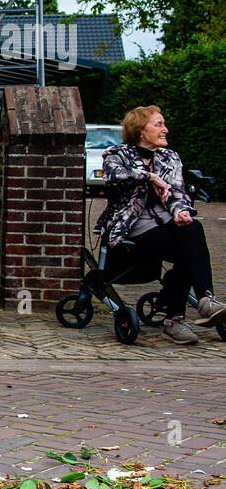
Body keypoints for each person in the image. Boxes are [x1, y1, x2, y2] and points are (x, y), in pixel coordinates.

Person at [93, 106, 226, 343]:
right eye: (158, 124)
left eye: (164, 124)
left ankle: (206, 300)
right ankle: (173, 319)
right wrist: (148, 176)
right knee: (188, 253)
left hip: (165, 220)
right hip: (133, 224)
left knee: (193, 229)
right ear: (141, 131)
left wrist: (181, 211)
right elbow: (112, 176)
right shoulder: (117, 153)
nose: (165, 129)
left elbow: (177, 192)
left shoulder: (170, 157)